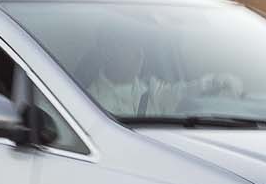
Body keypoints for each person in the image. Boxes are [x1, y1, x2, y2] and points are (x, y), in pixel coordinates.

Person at [83, 21, 240, 117]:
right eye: (128, 46)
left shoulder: (150, 88)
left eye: (139, 46)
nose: (139, 54)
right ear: (107, 52)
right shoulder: (91, 104)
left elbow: (180, 92)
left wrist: (215, 82)